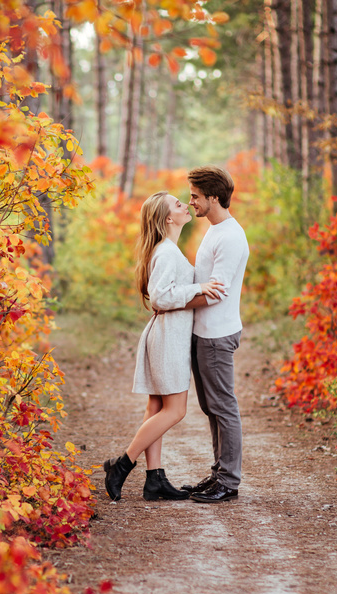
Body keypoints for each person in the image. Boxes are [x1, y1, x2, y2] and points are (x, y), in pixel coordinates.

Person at [102, 192, 225, 501]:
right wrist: (199, 287)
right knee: (176, 410)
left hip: (168, 334)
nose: (185, 205)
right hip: (168, 337)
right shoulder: (167, 252)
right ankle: (122, 464)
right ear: (169, 218)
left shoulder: (168, 249)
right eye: (178, 204)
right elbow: (159, 297)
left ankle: (155, 479)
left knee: (156, 408)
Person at [178, 165, 250, 503]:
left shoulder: (231, 236)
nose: (191, 202)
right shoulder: (214, 229)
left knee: (223, 406)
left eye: (195, 196)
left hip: (217, 336)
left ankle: (229, 482)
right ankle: (218, 473)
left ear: (214, 197)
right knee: (211, 408)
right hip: (203, 332)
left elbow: (215, 292)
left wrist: (174, 304)